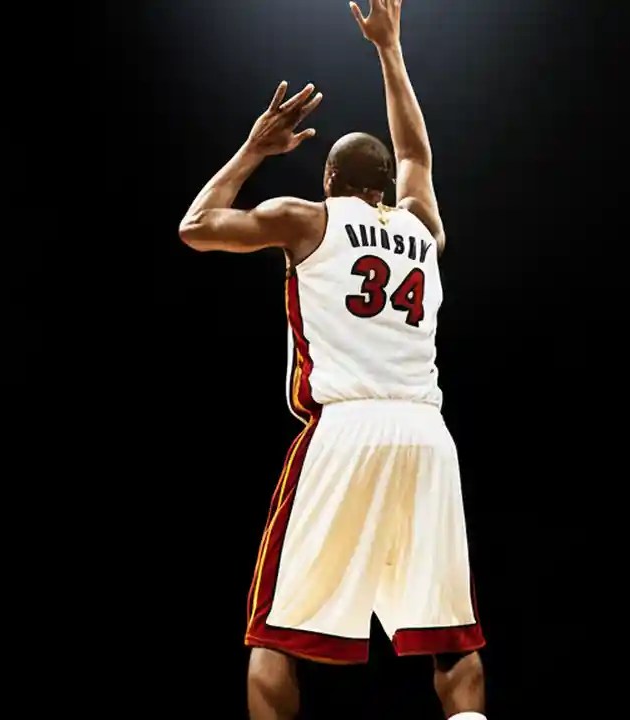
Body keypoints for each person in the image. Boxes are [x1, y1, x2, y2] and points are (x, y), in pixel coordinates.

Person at [178, 2, 487, 718]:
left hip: (346, 428)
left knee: (273, 638)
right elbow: (417, 157)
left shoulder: (309, 218)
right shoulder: (422, 227)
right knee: (452, 639)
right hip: (427, 437)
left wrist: (254, 149)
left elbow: (196, 227)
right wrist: (390, 49)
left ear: (329, 181)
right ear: (384, 190)